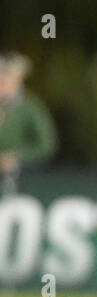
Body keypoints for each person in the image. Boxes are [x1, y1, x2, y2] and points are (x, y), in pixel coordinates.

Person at [0, 53, 58, 194]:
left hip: (20, 180)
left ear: (18, 79)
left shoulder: (31, 107)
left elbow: (46, 145)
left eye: (7, 77)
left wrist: (16, 157)